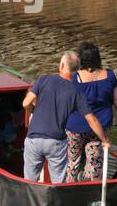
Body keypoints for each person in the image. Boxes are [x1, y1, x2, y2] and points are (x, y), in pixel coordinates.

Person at [22, 51, 109, 183]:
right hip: (56, 142)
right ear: (77, 70)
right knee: (59, 183)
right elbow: (91, 119)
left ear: (62, 65)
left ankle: (29, 201)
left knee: (29, 182)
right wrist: (104, 140)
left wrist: (34, 110)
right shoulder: (76, 92)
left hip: (34, 139)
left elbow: (26, 103)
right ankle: (59, 202)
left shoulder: (43, 79)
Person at [64, 42, 117, 182]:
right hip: (100, 127)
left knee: (73, 161)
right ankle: (91, 188)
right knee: (95, 160)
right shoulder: (109, 75)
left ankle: (70, 190)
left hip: (76, 127)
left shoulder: (74, 77)